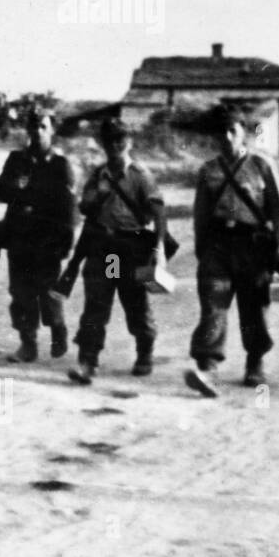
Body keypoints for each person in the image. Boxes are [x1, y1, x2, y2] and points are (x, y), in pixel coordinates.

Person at [185, 104, 279, 396]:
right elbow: (201, 215)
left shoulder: (261, 166)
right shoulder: (208, 171)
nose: (226, 137)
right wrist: (203, 251)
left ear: (243, 134)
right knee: (213, 304)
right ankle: (207, 368)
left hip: (254, 246)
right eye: (220, 132)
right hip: (218, 245)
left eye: (231, 131)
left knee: (254, 307)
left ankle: (255, 362)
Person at [67, 118, 166, 385]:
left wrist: (159, 249)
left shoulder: (140, 175)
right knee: (97, 303)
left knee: (135, 304)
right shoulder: (98, 174)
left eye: (120, 140)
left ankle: (145, 352)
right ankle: (88, 361)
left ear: (129, 142)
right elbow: (84, 208)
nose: (115, 146)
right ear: (103, 143)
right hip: (106, 251)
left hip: (131, 249)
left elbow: (158, 213)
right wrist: (98, 195)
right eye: (110, 140)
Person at [0, 106, 77, 362]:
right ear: (27, 129)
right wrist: (13, 187)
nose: (38, 131)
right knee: (20, 292)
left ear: (52, 131)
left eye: (43, 126)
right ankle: (27, 344)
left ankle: (58, 329)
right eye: (33, 126)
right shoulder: (16, 160)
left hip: (48, 238)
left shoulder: (61, 164)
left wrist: (67, 241)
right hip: (20, 235)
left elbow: (70, 207)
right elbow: (0, 192)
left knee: (47, 290)